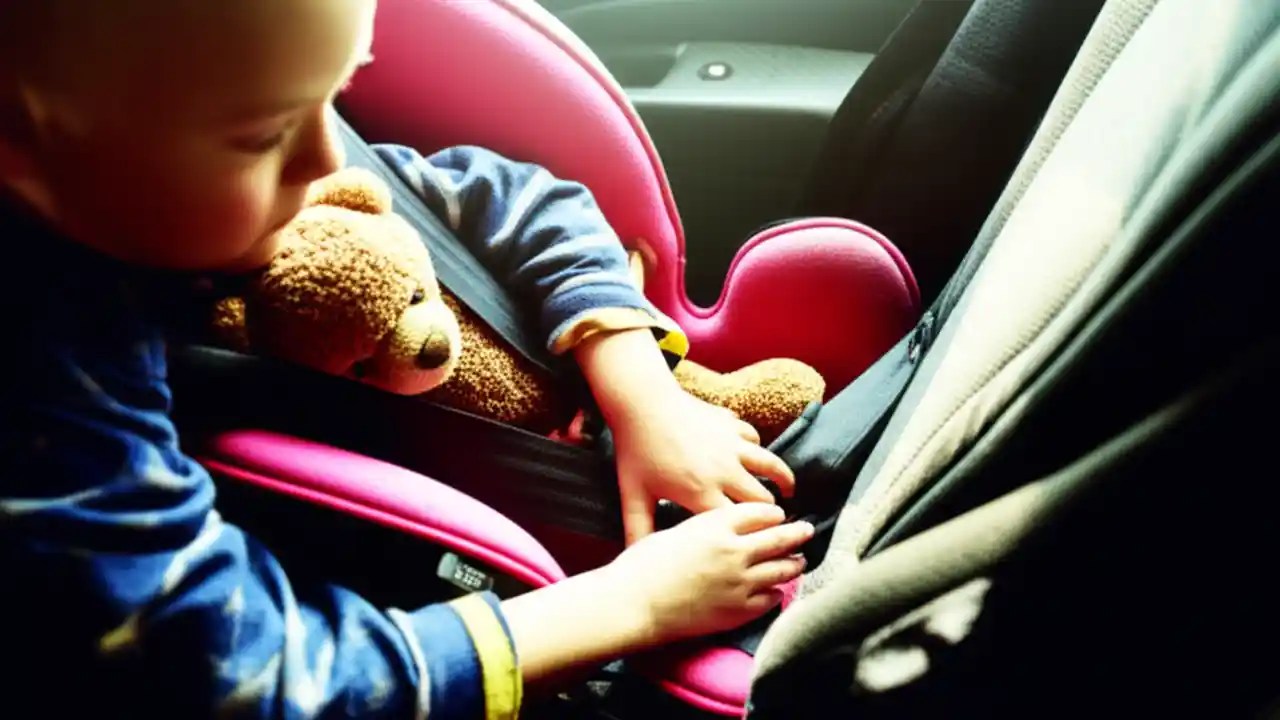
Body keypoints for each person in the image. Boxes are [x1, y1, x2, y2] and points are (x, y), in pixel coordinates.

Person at [0, 1, 813, 717]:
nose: (329, 160)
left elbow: (525, 201)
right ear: (21, 145)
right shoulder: (50, 414)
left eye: (339, 94)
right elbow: (253, 682)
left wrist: (644, 396)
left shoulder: (250, 169)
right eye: (264, 133)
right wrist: (632, 605)